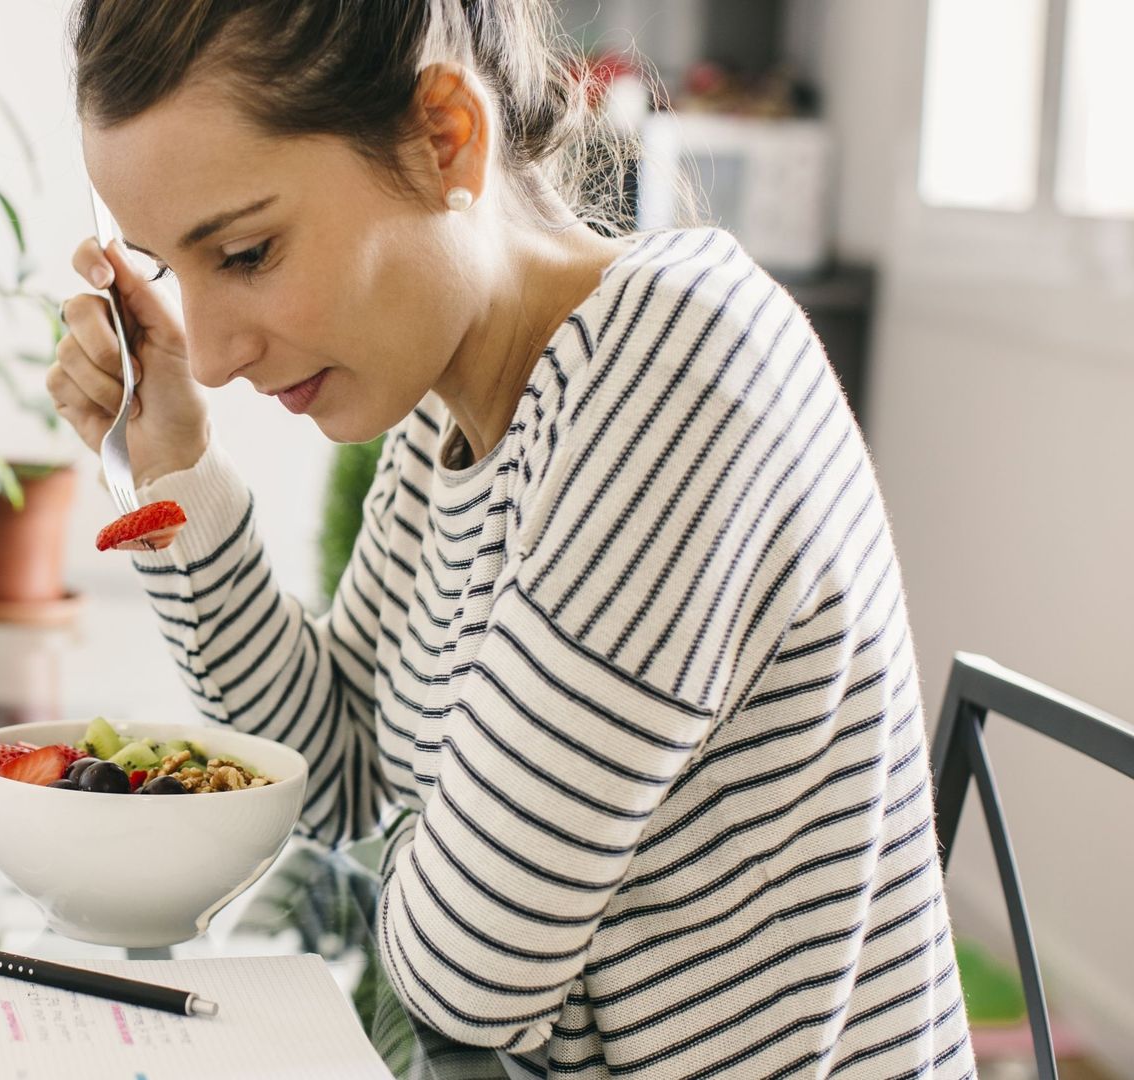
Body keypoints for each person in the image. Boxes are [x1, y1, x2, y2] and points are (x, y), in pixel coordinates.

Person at [48, 1, 972, 1076]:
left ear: (446, 134)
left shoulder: (676, 375)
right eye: (170, 270)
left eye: (247, 252)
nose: (206, 355)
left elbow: (468, 968)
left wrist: (459, 867)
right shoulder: (449, 416)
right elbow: (335, 767)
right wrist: (172, 467)